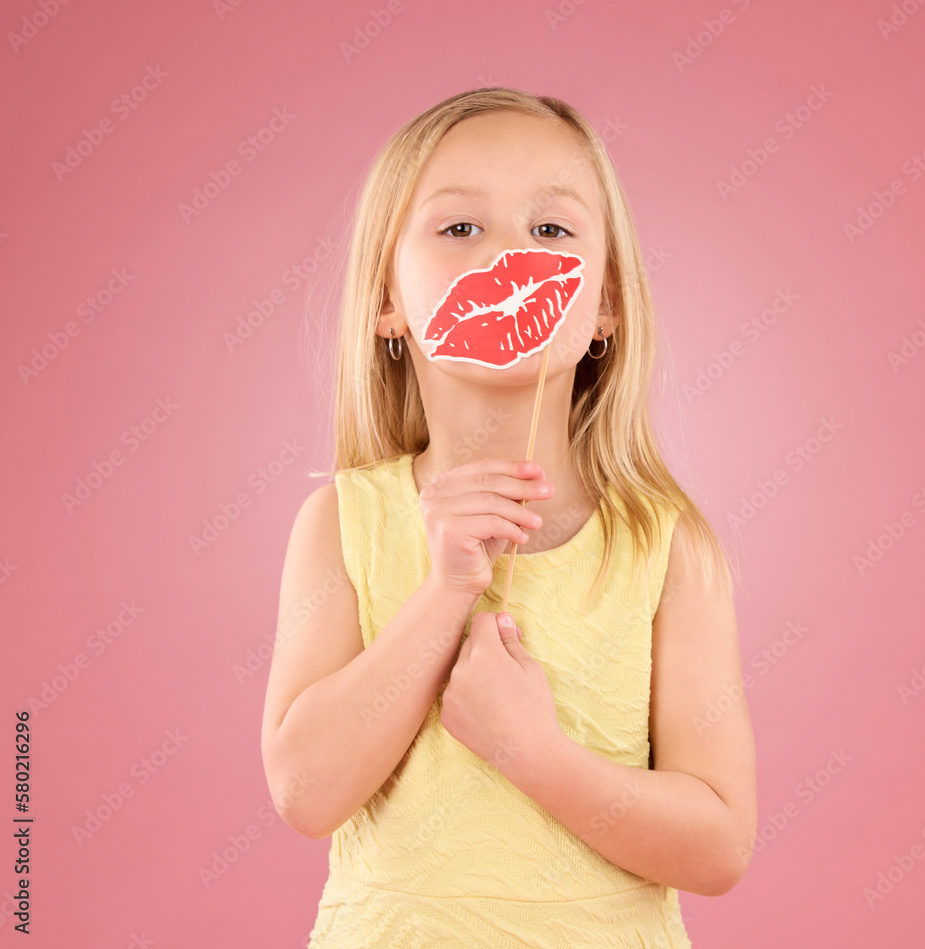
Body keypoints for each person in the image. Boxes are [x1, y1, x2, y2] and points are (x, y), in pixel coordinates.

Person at [261, 86, 756, 948]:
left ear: (604, 306)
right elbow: (305, 789)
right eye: (459, 229)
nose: (508, 259)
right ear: (388, 302)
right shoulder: (343, 522)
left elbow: (718, 845)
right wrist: (447, 588)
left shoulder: (666, 547)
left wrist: (536, 755)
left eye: (553, 231)